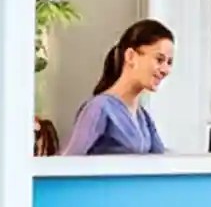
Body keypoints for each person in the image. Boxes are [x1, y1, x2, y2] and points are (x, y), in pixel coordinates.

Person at [61, 19, 174, 156]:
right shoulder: (99, 108)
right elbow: (67, 163)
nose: (165, 70)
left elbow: (161, 159)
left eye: (169, 62)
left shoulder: (143, 117)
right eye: (159, 59)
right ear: (131, 56)